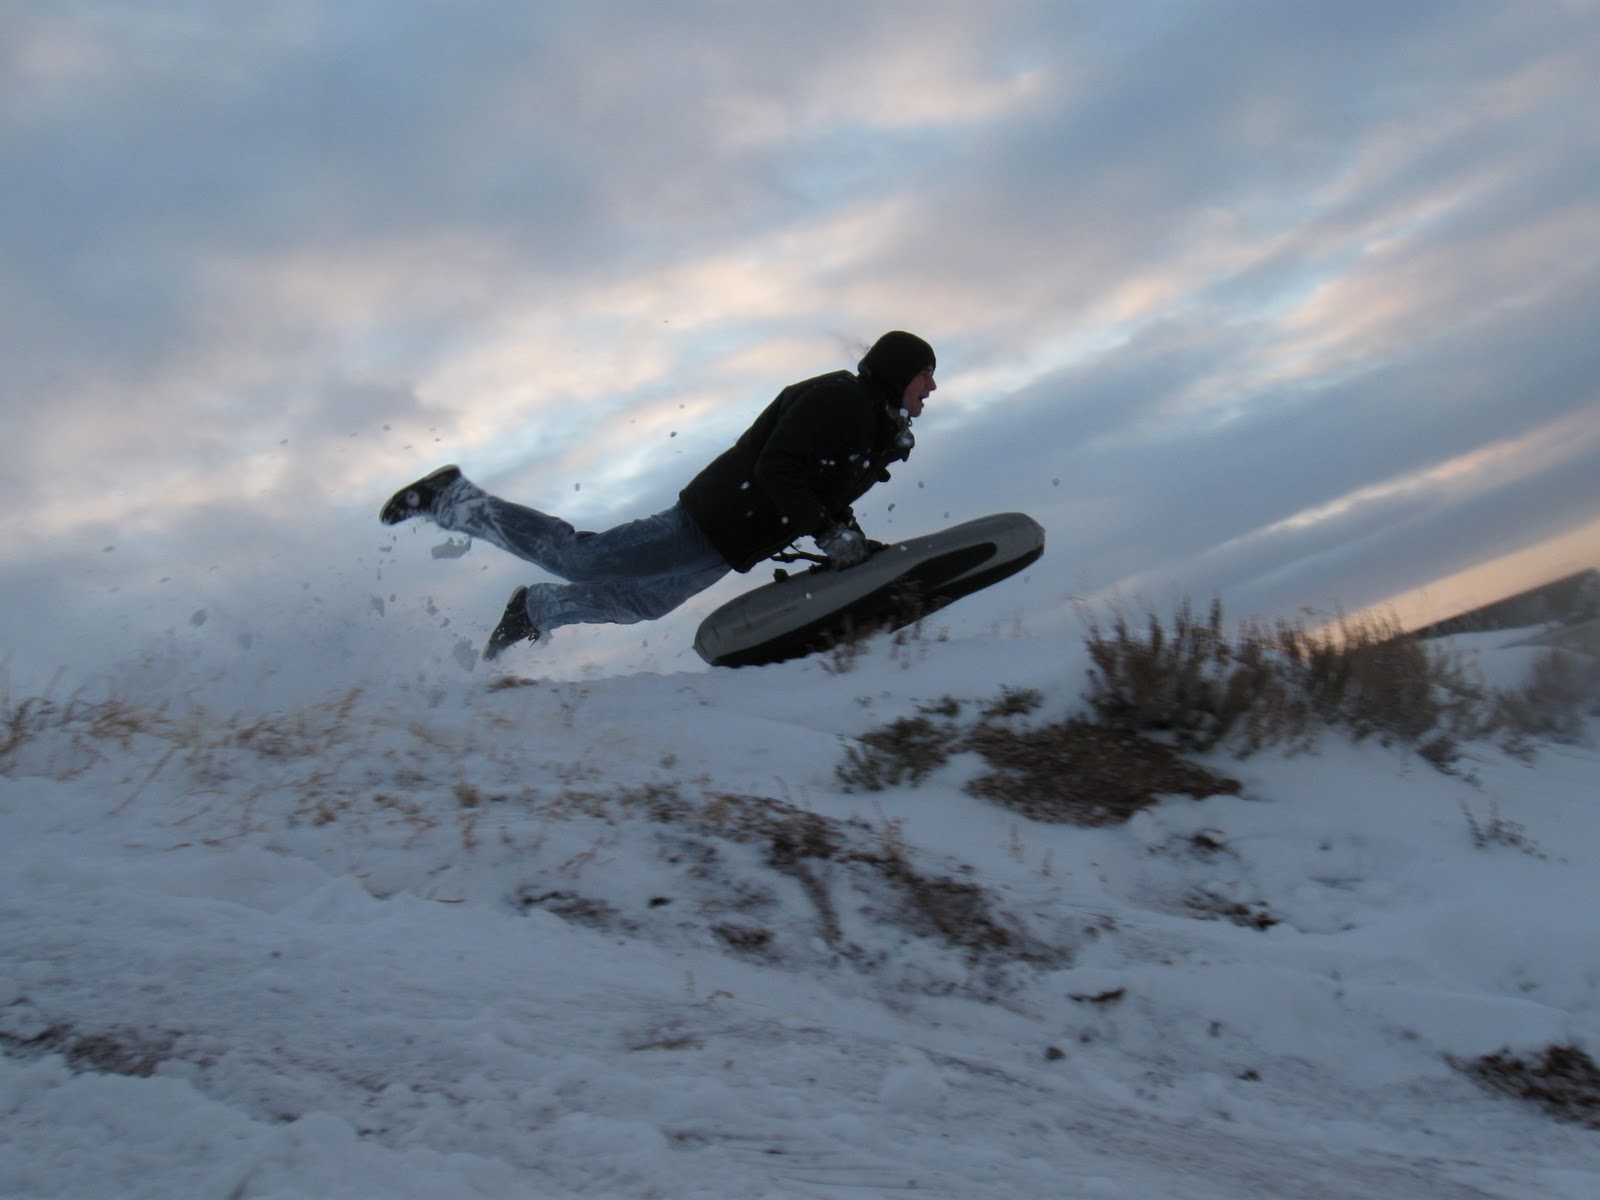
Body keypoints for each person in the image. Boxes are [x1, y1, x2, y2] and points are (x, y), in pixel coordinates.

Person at [380, 330, 937, 661]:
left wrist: (850, 539)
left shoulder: (873, 430)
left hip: (729, 544)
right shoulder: (840, 399)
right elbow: (778, 470)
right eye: (925, 375)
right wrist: (830, 532)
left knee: (641, 604)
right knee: (581, 557)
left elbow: (825, 494)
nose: (931, 388)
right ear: (897, 372)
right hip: (710, 521)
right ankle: (452, 498)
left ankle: (536, 608)